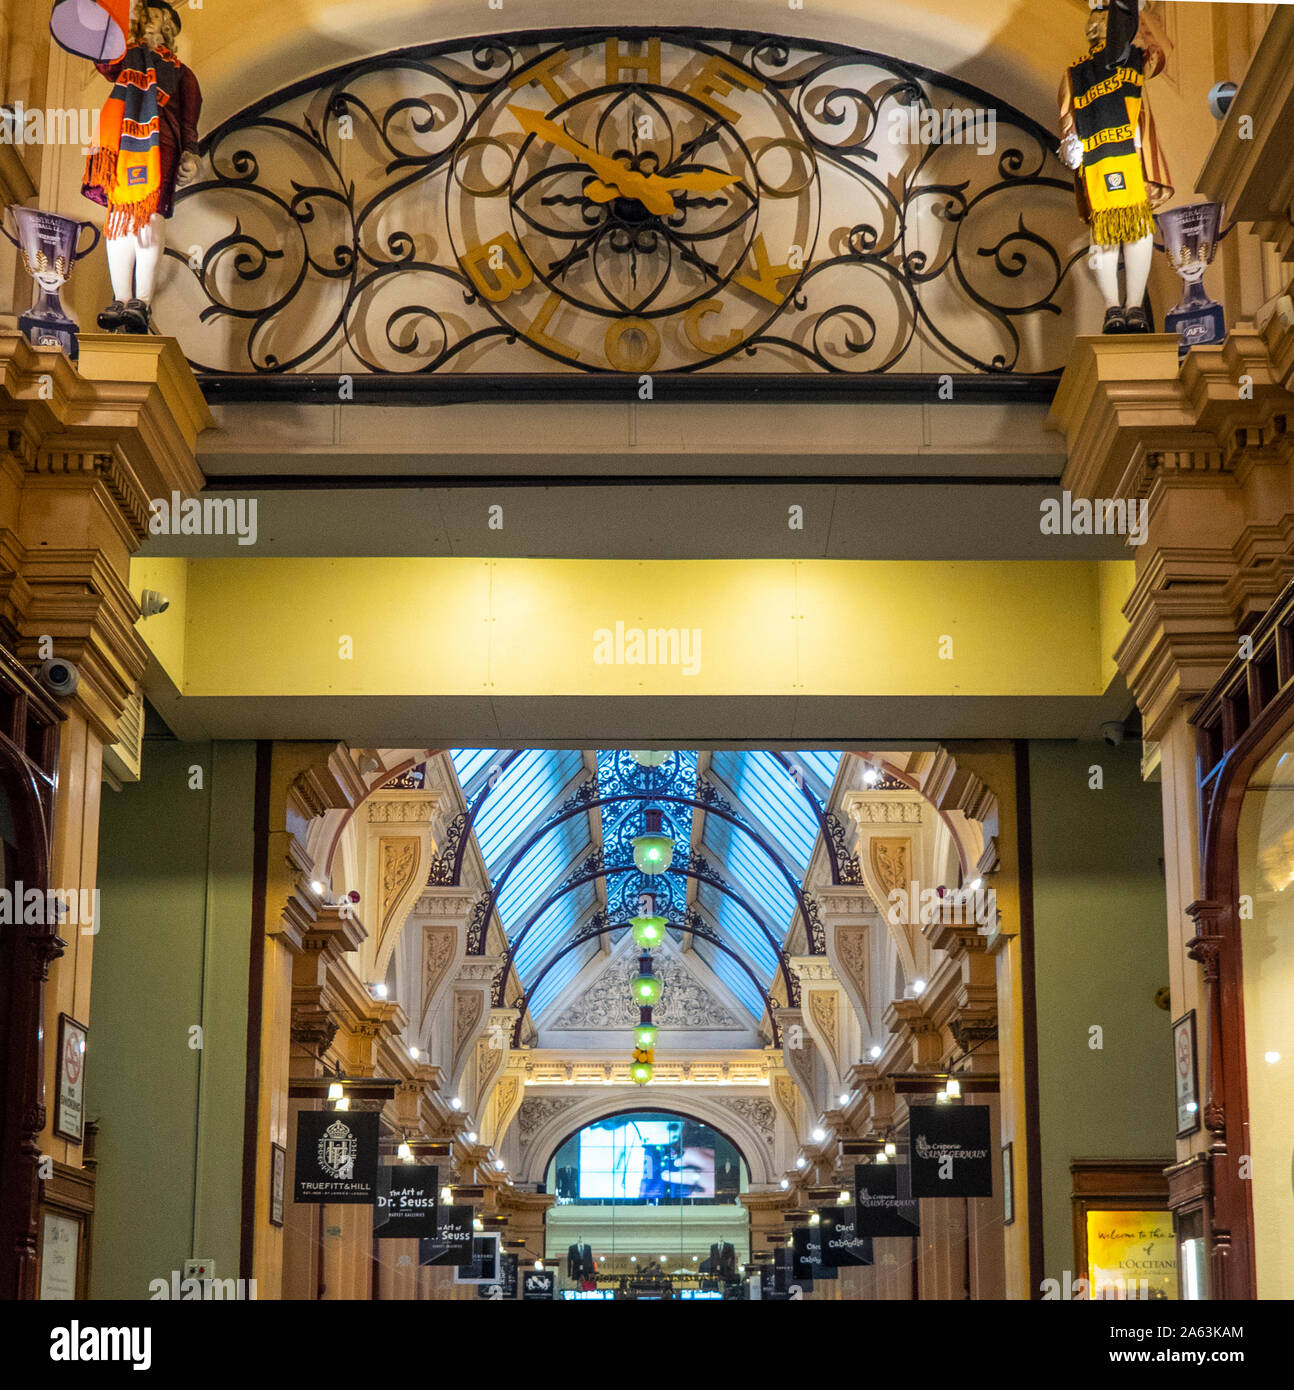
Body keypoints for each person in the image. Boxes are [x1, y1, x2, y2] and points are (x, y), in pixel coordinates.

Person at [82, 1, 201, 334]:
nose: (154, 27)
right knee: (119, 221)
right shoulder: (127, 58)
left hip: (161, 147)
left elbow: (190, 118)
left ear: (169, 29)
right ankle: (121, 299)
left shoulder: (180, 72)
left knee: (148, 220)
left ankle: (141, 302)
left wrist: (191, 153)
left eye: (160, 22)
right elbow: (106, 63)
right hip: (123, 147)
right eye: (149, 20)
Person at [1058, 0, 1173, 334]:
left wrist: (1140, 15)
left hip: (1133, 159)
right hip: (1100, 162)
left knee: (1138, 230)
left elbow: (1162, 49)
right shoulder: (1076, 74)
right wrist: (1072, 148)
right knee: (1107, 233)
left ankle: (1134, 304)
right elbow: (1067, 126)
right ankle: (1113, 307)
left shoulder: (1134, 62)